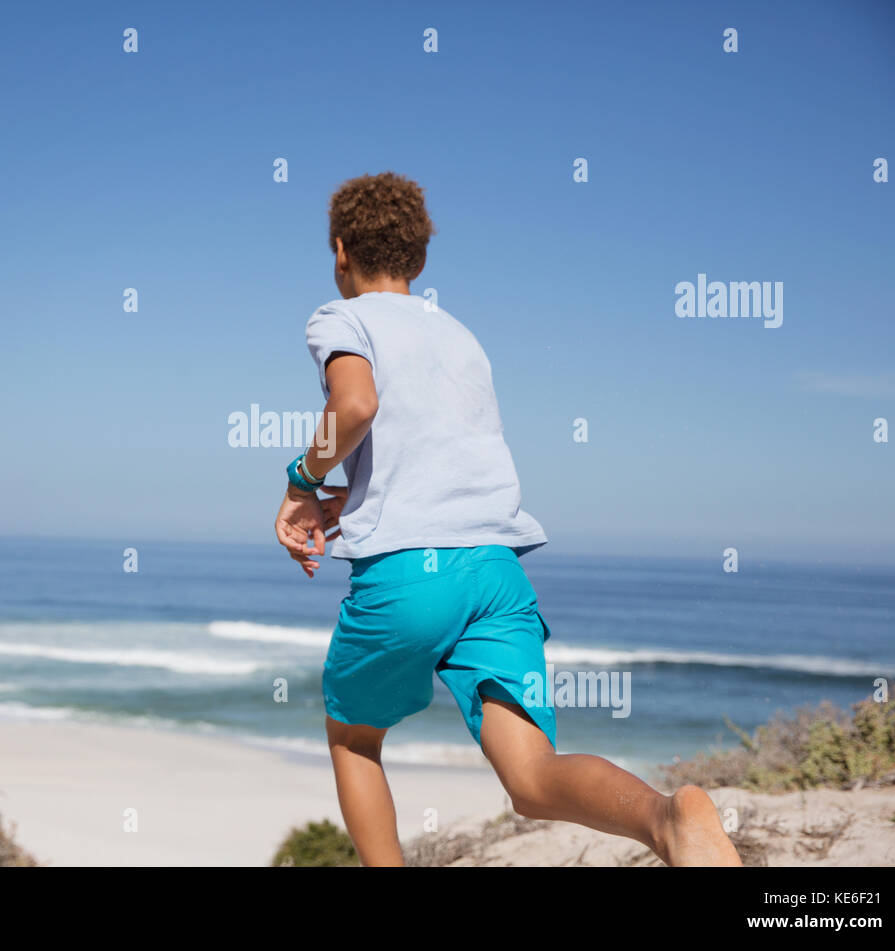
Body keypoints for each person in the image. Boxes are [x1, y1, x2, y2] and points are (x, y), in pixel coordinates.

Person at [274, 171, 741, 867]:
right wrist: (361, 495)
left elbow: (358, 405)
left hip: (408, 576)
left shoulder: (344, 317)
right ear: (421, 257)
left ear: (341, 250)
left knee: (354, 738)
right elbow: (437, 458)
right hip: (494, 570)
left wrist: (303, 481)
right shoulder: (461, 336)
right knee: (530, 778)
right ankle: (665, 817)